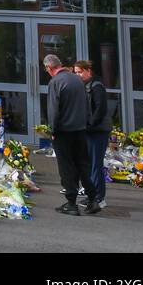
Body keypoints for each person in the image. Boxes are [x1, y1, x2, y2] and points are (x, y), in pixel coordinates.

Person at [46, 54, 100, 215]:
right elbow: (86, 105)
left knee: (66, 166)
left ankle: (71, 203)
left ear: (49, 68)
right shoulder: (77, 80)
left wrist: (52, 130)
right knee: (82, 165)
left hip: (64, 131)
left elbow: (54, 110)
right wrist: (86, 123)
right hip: (80, 129)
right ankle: (93, 199)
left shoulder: (55, 82)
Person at [74, 59, 111, 210]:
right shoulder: (85, 86)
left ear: (88, 71)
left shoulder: (96, 86)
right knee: (90, 164)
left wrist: (89, 125)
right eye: (76, 72)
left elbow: (100, 110)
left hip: (98, 131)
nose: (78, 75)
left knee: (96, 165)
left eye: (80, 72)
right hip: (90, 131)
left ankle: (99, 198)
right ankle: (92, 196)